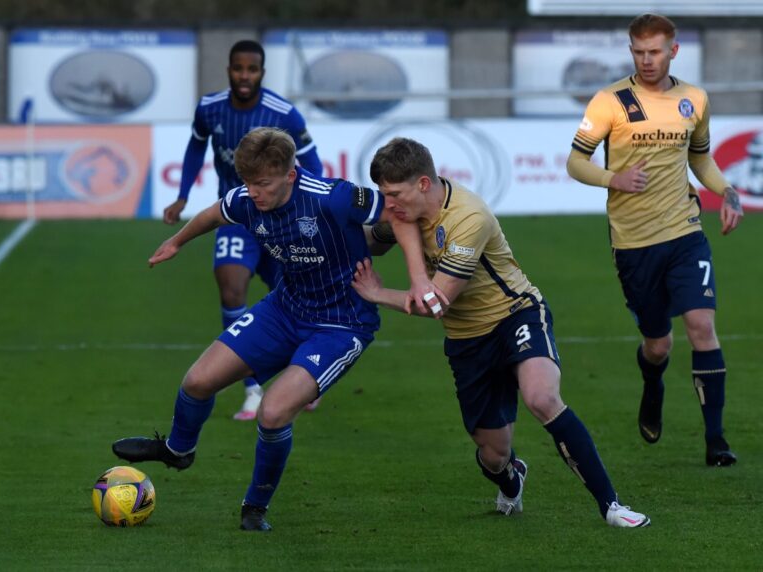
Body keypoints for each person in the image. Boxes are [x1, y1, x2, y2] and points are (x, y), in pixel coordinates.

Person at [112, 128, 436, 532]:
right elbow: (216, 211)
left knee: (273, 411)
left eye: (263, 183)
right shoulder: (247, 199)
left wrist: (418, 279)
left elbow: (397, 214)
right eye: (248, 183)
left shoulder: (331, 196)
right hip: (285, 309)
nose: (254, 193)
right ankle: (179, 450)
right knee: (197, 381)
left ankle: (255, 506)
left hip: (341, 324)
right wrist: (177, 242)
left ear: (290, 175)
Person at [352, 137, 650, 528]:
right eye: (382, 193)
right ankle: (512, 479)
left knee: (542, 398)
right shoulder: (404, 213)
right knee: (494, 455)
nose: (387, 202)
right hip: (466, 340)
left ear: (423, 184)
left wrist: (377, 294)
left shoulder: (467, 218)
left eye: (393, 193)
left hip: (515, 315)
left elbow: (436, 303)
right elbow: (371, 240)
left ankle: (612, 506)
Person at [566, 13, 743, 466]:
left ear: (673, 51)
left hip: (685, 232)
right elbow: (575, 162)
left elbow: (701, 161)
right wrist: (614, 179)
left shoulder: (694, 100)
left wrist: (729, 192)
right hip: (633, 242)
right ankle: (652, 381)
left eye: (655, 52)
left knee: (702, 327)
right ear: (632, 51)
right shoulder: (609, 101)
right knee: (658, 344)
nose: (647, 60)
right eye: (639, 52)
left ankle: (716, 441)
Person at [163, 39, 324, 420]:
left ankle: (308, 376)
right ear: (229, 70)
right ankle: (251, 388)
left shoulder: (283, 114)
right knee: (231, 282)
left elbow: (312, 161)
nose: (245, 76)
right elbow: (194, 148)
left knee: (296, 298)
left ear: (262, 73)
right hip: (236, 217)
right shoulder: (209, 108)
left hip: (282, 222)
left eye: (252, 70)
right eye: (239, 69)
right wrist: (183, 195)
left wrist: (315, 212)